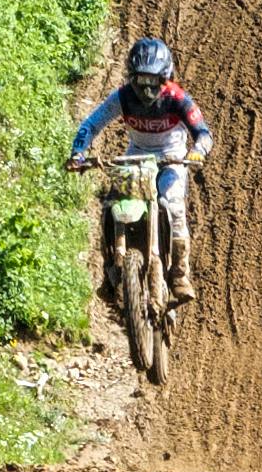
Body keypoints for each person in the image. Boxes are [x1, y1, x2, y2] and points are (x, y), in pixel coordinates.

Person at [67, 37, 214, 294]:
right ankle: (110, 268)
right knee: (111, 204)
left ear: (165, 78)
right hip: (136, 155)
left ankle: (180, 275)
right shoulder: (122, 98)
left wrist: (197, 152)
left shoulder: (178, 99)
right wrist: (78, 153)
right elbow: (91, 124)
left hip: (172, 158)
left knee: (172, 204)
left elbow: (203, 132)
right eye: (140, 82)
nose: (146, 91)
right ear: (131, 78)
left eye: (153, 82)